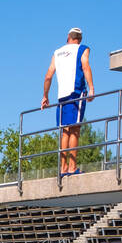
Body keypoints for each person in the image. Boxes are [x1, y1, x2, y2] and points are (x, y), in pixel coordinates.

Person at [42, 28, 95, 175]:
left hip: (62, 96)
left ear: (68, 37)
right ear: (80, 39)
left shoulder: (57, 52)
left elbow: (48, 76)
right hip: (76, 92)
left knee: (65, 131)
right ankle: (72, 167)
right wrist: (91, 89)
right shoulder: (82, 49)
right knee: (75, 130)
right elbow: (85, 66)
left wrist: (45, 96)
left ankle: (63, 167)